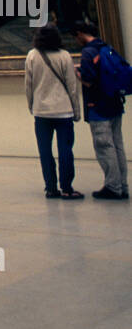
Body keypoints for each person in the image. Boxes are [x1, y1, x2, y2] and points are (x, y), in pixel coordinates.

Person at [25, 22, 82, 199]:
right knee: (65, 149)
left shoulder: (32, 56)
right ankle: (66, 187)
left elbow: (29, 85)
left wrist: (31, 105)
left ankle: (50, 187)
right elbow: (72, 86)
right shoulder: (64, 55)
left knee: (45, 151)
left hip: (41, 111)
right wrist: (76, 110)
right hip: (63, 110)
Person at [73, 20, 128, 200]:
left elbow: (89, 80)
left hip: (98, 106)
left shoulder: (88, 52)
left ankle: (112, 186)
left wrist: (77, 74)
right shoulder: (107, 47)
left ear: (81, 34)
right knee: (117, 145)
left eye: (76, 36)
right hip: (114, 103)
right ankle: (122, 185)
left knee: (104, 147)